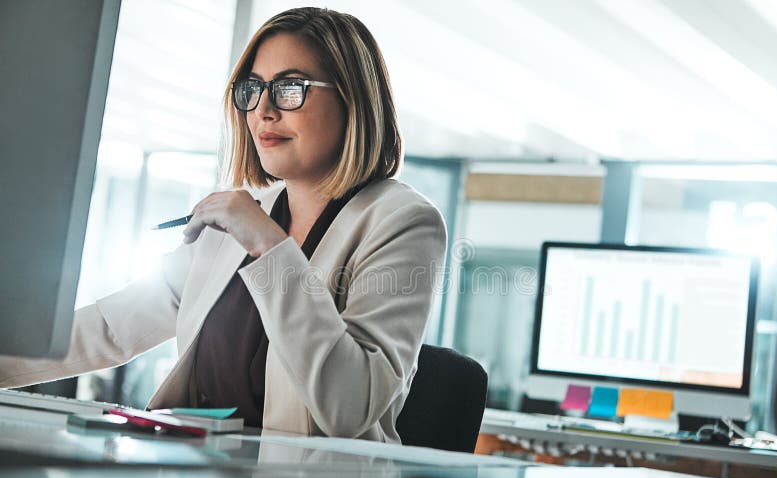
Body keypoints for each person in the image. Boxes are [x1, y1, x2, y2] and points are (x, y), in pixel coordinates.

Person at [0, 7, 446, 443]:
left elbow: (349, 405)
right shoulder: (243, 214)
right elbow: (111, 328)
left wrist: (270, 246)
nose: (263, 109)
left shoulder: (401, 221)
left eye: (290, 88)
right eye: (252, 89)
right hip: (197, 474)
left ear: (353, 100)